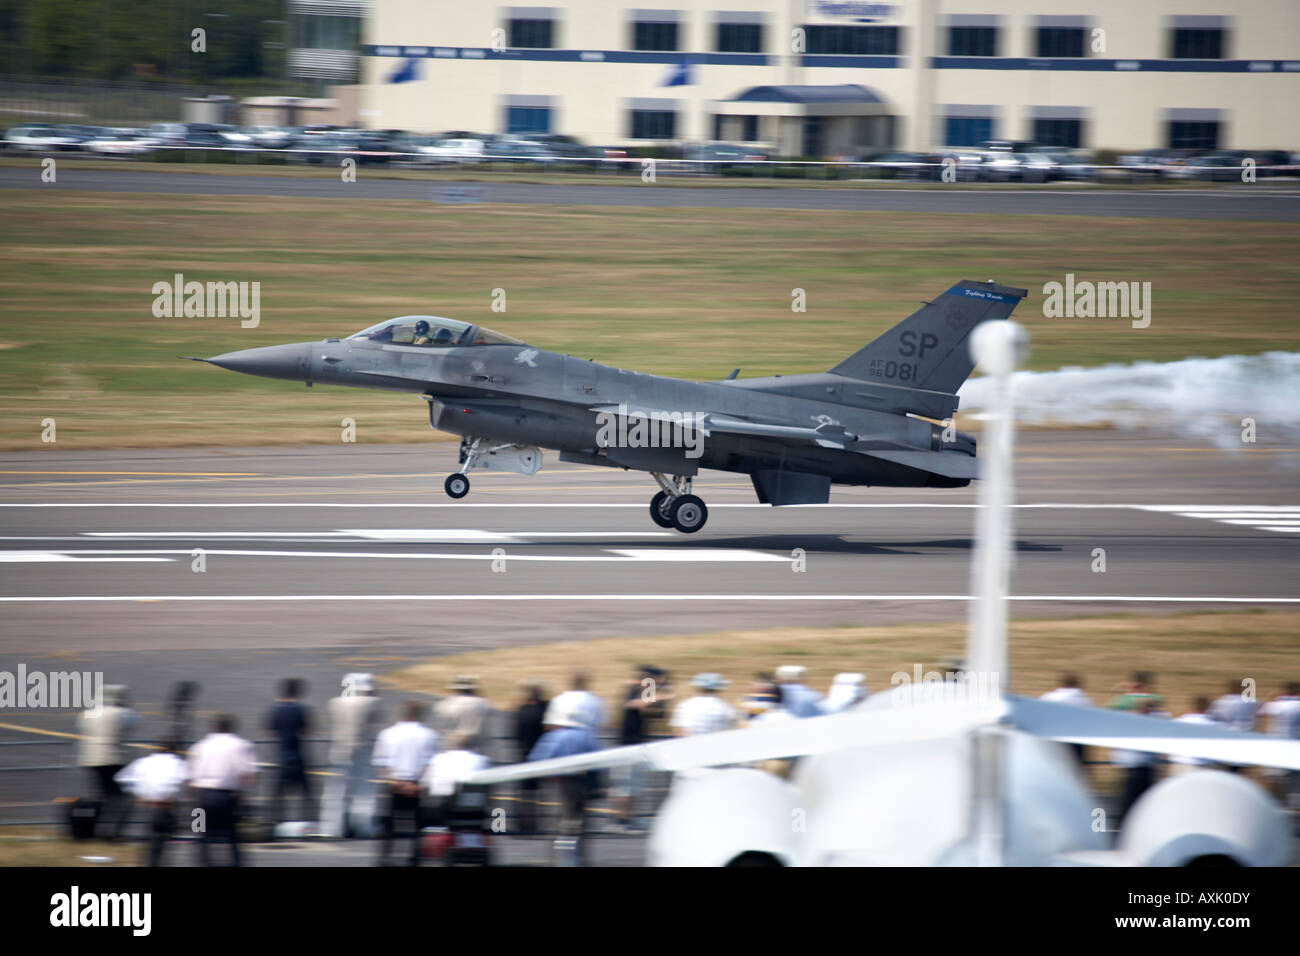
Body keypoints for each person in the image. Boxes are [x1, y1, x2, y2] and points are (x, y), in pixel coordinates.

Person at [529, 696, 600, 865]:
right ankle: (580, 859)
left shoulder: (559, 736)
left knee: (562, 824)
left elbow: (539, 758)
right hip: (584, 784)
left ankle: (560, 860)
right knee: (580, 826)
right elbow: (599, 760)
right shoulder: (587, 736)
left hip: (565, 784)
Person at [372, 700, 438, 866]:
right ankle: (415, 857)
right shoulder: (429, 734)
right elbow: (431, 763)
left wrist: (394, 782)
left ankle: (384, 857)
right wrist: (418, 785)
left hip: (395, 784)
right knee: (418, 824)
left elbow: (381, 762)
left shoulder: (387, 733)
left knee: (389, 824)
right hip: (416, 785)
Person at [188, 714, 257, 866]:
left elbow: (192, 778)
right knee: (232, 835)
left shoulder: (201, 745)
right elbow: (248, 774)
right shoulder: (241, 745)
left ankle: (203, 863)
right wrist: (243, 795)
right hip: (228, 797)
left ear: (214, 728)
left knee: (200, 833)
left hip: (203, 797)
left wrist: (194, 801)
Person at [321, 672, 382, 839]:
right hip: (362, 750)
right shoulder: (373, 702)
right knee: (364, 791)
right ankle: (363, 826)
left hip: (340, 750)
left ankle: (333, 827)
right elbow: (377, 716)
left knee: (336, 791)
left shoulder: (334, 702)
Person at [77, 684, 139, 841]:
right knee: (120, 798)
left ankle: (93, 830)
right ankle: (114, 832)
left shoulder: (90, 713)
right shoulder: (122, 713)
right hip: (113, 758)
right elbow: (136, 722)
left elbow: (81, 724)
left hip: (91, 758)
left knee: (99, 796)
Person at [115, 739, 188, 866]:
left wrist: (139, 793)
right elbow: (187, 782)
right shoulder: (178, 763)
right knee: (166, 845)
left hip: (150, 807)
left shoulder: (145, 762)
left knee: (150, 844)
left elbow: (122, 778)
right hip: (167, 808)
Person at [611, 666, 666, 829]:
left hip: (637, 745)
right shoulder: (634, 691)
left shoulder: (643, 692)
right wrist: (660, 696)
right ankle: (622, 820)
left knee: (635, 786)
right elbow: (636, 705)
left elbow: (654, 714)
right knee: (625, 786)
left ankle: (629, 818)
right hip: (627, 746)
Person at [266, 677, 312, 827]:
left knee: (278, 795)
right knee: (307, 794)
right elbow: (306, 730)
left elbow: (271, 731)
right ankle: (307, 823)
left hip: (281, 756)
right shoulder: (301, 710)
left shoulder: (276, 710)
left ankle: (275, 823)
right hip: (298, 755)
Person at [512, 680, 549, 835]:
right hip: (540, 755)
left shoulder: (521, 711)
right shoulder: (542, 713)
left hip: (524, 754)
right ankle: (534, 824)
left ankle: (522, 824)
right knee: (536, 793)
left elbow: (516, 734)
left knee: (524, 792)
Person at [1259, 682, 1300, 808]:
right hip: (1295, 748)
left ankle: (1271, 806)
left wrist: (1273, 696)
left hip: (1276, 748)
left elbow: (1260, 710)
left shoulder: (1276, 705)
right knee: (1295, 786)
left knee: (1274, 781)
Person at [433, 675, 491, 755]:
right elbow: (489, 709)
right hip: (475, 742)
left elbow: (441, 717)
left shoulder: (446, 704)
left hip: (452, 742)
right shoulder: (483, 703)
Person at [671, 674, 738, 736]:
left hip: (688, 744)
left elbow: (677, 731)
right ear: (718, 689)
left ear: (698, 688)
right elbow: (735, 727)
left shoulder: (684, 705)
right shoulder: (726, 707)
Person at [548, 671, 607, 736]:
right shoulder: (595, 701)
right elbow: (600, 724)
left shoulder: (559, 700)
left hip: (563, 742)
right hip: (589, 741)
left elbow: (552, 726)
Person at [1168, 697, 1217, 775]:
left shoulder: (1179, 721)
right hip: (1203, 766)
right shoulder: (1213, 724)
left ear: (1191, 707)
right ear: (1207, 708)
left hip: (1179, 763)